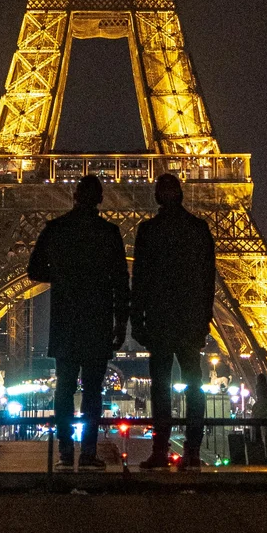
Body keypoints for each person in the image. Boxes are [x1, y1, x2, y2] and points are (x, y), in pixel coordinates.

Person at [27, 173, 129, 469]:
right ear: (100, 199)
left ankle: (64, 453)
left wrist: (62, 277)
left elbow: (34, 270)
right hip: (97, 320)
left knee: (64, 389)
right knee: (93, 391)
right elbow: (121, 282)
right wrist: (121, 321)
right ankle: (87, 453)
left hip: (66, 320)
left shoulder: (56, 229)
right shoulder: (108, 233)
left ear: (73, 196)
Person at [130, 171, 216, 470]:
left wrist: (136, 318)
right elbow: (207, 279)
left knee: (162, 387)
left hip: (162, 319)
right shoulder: (197, 229)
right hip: (187, 319)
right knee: (193, 385)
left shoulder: (149, 231)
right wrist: (205, 317)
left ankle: (161, 449)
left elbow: (140, 279)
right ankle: (191, 450)